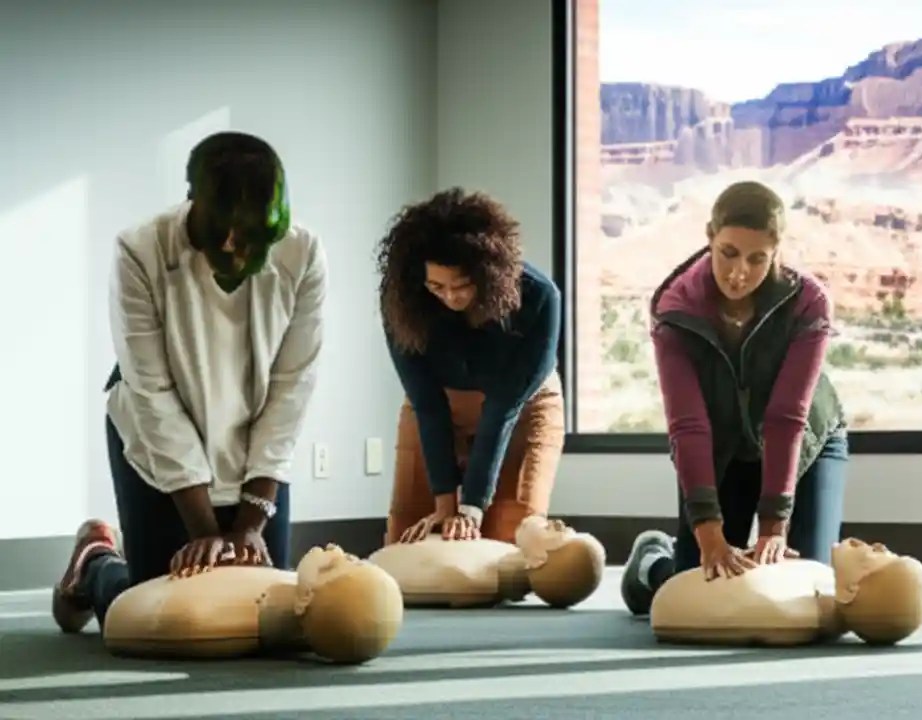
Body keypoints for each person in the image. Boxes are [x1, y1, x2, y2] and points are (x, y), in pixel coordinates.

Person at [52, 131, 327, 634]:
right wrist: (205, 534)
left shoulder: (303, 254)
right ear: (192, 199)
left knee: (265, 613)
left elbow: (292, 385)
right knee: (159, 614)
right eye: (219, 227)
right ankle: (95, 564)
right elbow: (152, 392)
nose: (231, 246)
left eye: (248, 235)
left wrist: (248, 526)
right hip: (156, 424)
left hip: (251, 428)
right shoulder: (139, 250)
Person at [620, 180, 848, 616]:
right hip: (722, 448)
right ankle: (652, 564)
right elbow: (688, 424)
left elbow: (788, 416)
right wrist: (708, 531)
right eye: (728, 253)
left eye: (757, 258)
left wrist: (774, 527)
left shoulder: (809, 303)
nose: (739, 272)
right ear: (710, 237)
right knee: (699, 587)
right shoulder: (675, 308)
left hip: (807, 445)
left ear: (776, 252)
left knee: (806, 591)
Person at [378, 188, 564, 546]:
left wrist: (473, 506)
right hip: (440, 403)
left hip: (522, 406)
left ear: (487, 273)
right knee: (409, 543)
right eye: (437, 286)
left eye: (462, 286)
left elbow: (503, 406)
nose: (450, 297)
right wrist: (446, 503)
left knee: (508, 544)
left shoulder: (540, 297)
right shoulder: (402, 304)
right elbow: (427, 404)